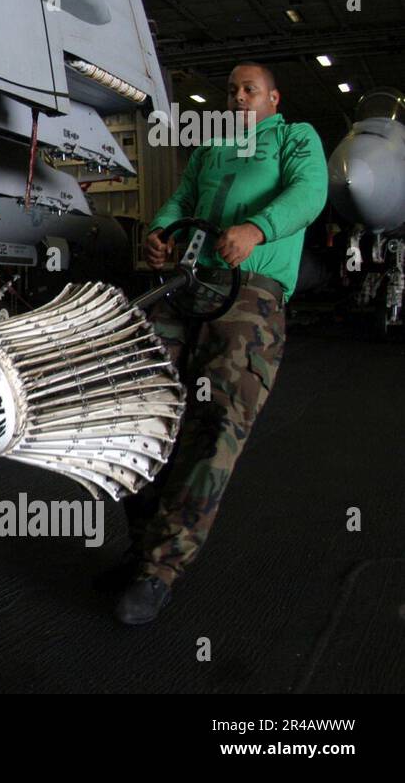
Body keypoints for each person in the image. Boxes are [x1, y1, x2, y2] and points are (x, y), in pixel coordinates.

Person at [109, 62, 328, 625]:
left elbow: (310, 192)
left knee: (217, 424)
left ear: (273, 99)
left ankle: (160, 569)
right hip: (187, 283)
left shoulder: (296, 139)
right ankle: (140, 549)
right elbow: (181, 199)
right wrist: (160, 233)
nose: (236, 99)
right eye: (231, 91)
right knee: (141, 408)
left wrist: (257, 229)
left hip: (249, 293)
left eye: (248, 90)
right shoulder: (211, 150)